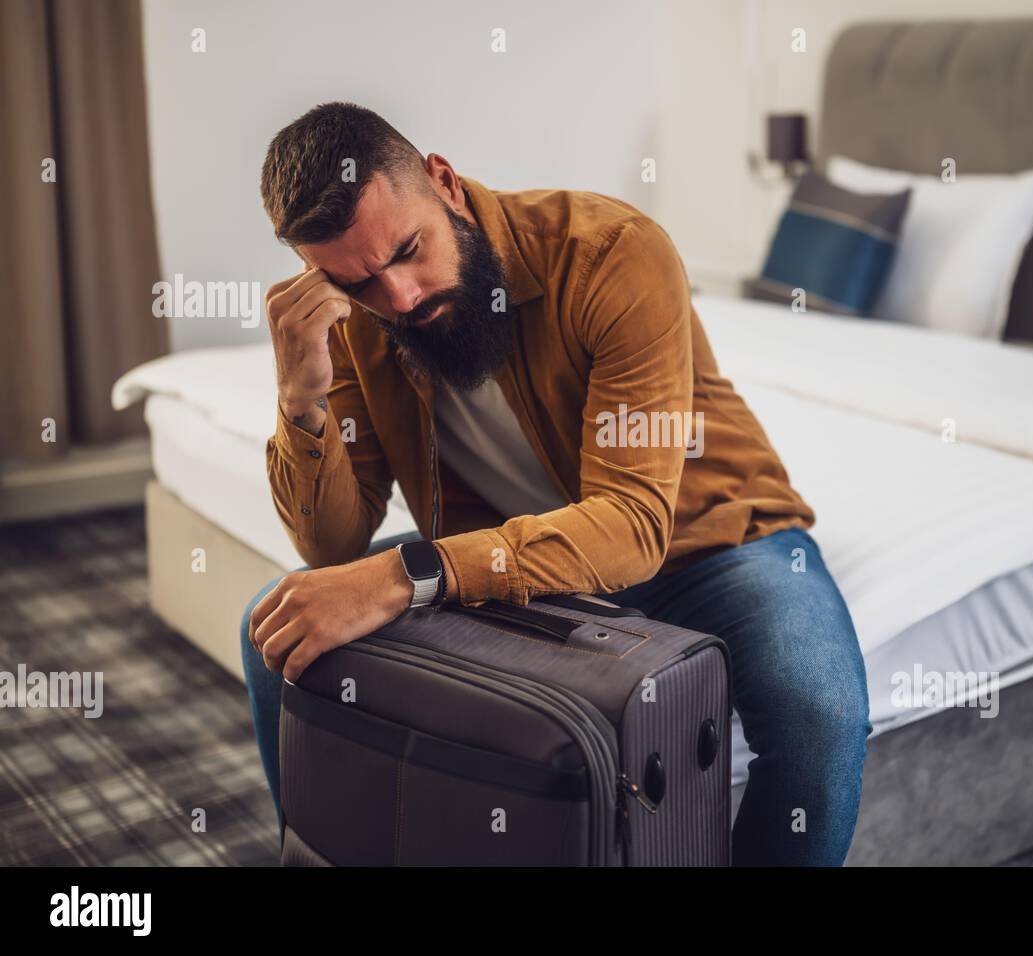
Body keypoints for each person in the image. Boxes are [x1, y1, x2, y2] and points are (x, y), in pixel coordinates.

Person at [241, 102, 871, 866]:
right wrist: (298, 401)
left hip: (708, 540)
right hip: (522, 557)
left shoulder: (611, 253)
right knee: (276, 626)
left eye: (410, 251)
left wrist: (410, 575)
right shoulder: (355, 317)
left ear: (444, 183)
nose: (400, 298)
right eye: (361, 283)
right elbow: (333, 542)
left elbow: (636, 527)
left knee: (820, 716)